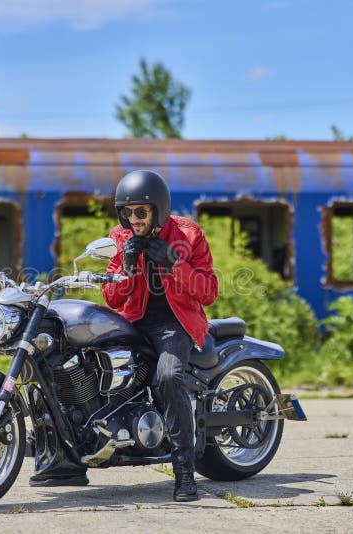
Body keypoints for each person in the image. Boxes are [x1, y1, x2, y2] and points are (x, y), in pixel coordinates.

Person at [102, 169, 218, 502]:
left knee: (168, 377)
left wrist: (174, 263)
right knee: (86, 362)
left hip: (174, 323)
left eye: (141, 211)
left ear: (159, 209)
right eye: (127, 212)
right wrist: (127, 266)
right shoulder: (119, 237)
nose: (133, 219)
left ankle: (184, 473)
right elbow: (111, 299)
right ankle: (65, 463)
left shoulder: (188, 234)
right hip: (132, 322)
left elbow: (209, 291)